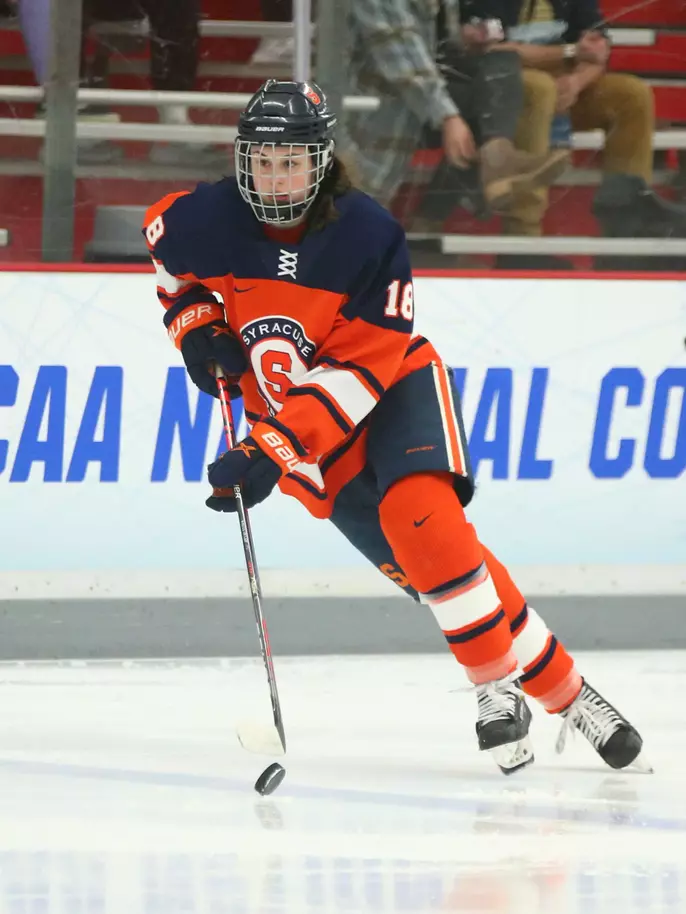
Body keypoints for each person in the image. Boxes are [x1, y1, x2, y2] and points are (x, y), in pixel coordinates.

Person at [142, 79, 648, 776]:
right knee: (440, 567)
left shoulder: (368, 234)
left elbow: (361, 368)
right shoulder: (203, 219)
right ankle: (569, 692)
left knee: (423, 521)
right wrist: (196, 328)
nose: (275, 176)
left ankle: (494, 688)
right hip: (296, 433)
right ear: (241, 159)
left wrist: (270, 446)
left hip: (390, 391)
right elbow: (171, 271)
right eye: (262, 160)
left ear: (322, 162)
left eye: (291, 161)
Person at [342, 0, 568, 224]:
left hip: (420, 104)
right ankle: (441, 212)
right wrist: (448, 116)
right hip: (370, 113)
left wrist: (465, 39)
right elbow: (405, 60)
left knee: (503, 66)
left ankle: (497, 157)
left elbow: (439, 47)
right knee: (354, 216)